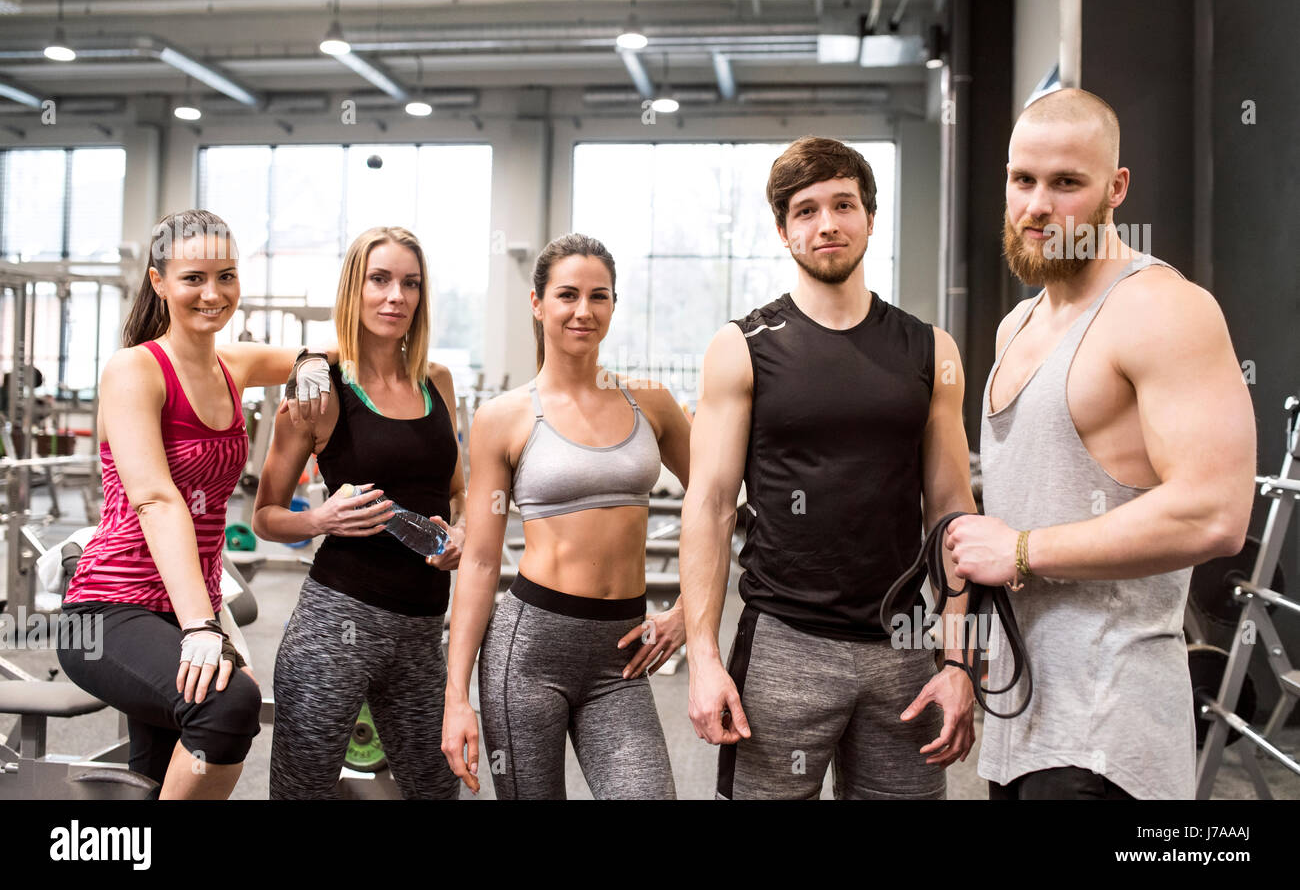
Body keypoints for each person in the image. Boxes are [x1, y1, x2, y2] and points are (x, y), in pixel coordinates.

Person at [945, 88, 1256, 801]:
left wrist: (1021, 549)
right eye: (1022, 180)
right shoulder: (1016, 325)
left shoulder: (1161, 309)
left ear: (1116, 188)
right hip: (1020, 719)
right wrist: (962, 657)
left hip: (1106, 735)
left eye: (1066, 184)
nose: (1036, 207)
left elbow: (1215, 513)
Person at [679, 137, 978, 800]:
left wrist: (958, 658)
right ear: (784, 230)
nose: (827, 224)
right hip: (784, 644)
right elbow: (710, 505)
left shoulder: (931, 349)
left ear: (870, 217)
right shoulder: (741, 348)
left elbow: (954, 512)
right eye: (806, 210)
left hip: (904, 647)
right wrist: (701, 656)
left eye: (844, 204)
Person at [57, 208, 330, 799]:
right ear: (158, 281)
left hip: (180, 609)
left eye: (227, 276)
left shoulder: (235, 365)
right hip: (108, 610)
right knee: (228, 705)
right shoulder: (136, 370)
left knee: (156, 776)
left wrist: (309, 363)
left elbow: (330, 352)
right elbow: (156, 499)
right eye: (194, 278)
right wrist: (201, 626)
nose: (214, 293)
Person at [441, 233, 692, 799]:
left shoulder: (651, 402)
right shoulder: (503, 417)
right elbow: (480, 560)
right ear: (538, 303)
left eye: (599, 296)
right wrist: (458, 696)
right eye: (567, 295)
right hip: (529, 651)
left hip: (621, 654)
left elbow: (719, 505)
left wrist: (687, 609)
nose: (584, 311)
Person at [253, 225, 466, 800]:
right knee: (303, 793)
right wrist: (320, 521)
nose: (395, 296)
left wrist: (462, 535)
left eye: (410, 283)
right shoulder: (320, 389)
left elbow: (457, 490)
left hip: (423, 630)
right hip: (335, 626)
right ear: (354, 288)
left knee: (437, 790)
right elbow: (265, 515)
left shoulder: (437, 381)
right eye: (380, 279)